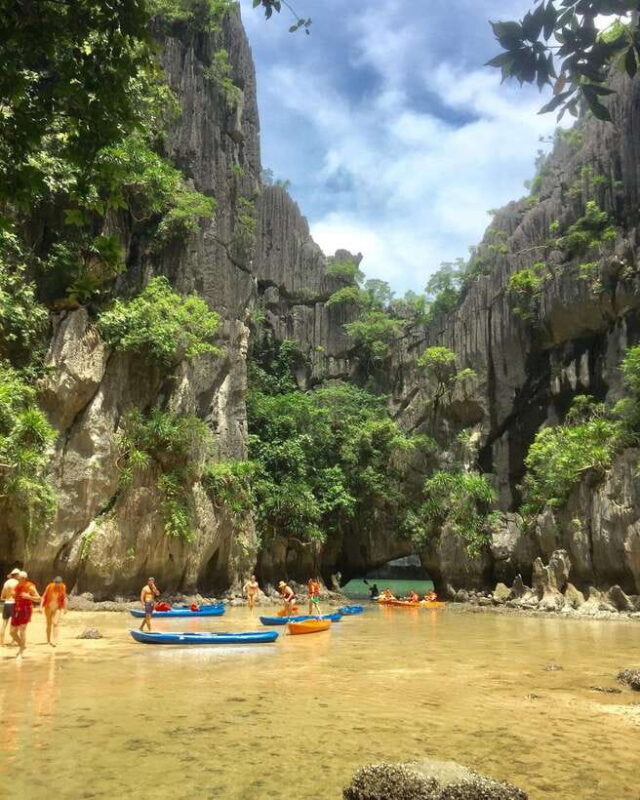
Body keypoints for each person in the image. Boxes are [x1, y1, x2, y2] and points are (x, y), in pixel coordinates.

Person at [10, 571, 40, 657]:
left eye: (18, 578)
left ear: (23, 578)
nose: (17, 579)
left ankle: (21, 652)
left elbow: (39, 599)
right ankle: (22, 645)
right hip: (16, 609)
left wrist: (29, 597)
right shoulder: (17, 586)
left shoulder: (30, 586)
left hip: (26, 610)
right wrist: (13, 595)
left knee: (22, 631)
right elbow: (14, 596)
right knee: (12, 632)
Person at [40, 576, 68, 647]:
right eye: (56, 582)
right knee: (48, 624)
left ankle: (55, 641)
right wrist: (40, 607)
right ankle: (48, 640)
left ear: (61, 583)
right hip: (48, 607)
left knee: (55, 623)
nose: (57, 584)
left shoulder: (63, 587)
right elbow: (43, 597)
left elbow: (65, 598)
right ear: (54, 581)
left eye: (58, 583)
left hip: (57, 607)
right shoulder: (49, 586)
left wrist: (65, 608)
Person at [1, 568, 20, 646]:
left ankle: (1, 642)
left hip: (7, 603)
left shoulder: (6, 583)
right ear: (16, 575)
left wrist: (7, 597)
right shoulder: (18, 583)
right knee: (15, 623)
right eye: (18, 574)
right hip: (14, 604)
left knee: (4, 623)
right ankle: (13, 640)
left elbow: (2, 596)